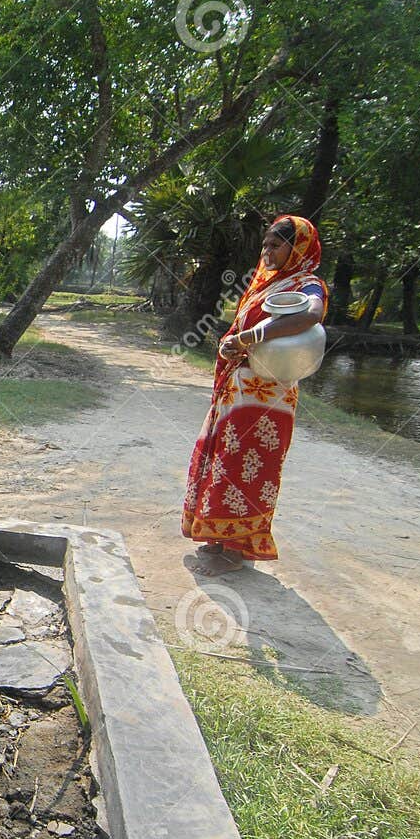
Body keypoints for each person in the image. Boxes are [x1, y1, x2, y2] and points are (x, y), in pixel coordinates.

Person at [183, 214, 329, 571]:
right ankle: (217, 537)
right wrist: (234, 346)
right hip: (237, 391)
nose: (267, 250)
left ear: (297, 249)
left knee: (250, 467)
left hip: (268, 397)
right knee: (223, 460)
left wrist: (251, 338)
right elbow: (242, 329)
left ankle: (236, 550)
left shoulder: (308, 285)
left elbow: (312, 315)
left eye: (276, 245)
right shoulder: (263, 284)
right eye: (264, 244)